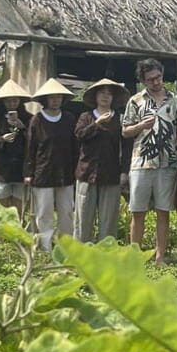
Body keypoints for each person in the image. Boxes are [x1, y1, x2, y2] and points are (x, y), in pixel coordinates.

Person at [121, 58, 177, 266]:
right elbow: (125, 131)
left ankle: (160, 257)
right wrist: (141, 126)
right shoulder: (135, 100)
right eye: (150, 79)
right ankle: (135, 256)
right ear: (143, 81)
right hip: (142, 162)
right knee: (137, 211)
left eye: (158, 77)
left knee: (163, 211)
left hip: (167, 164)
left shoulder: (176, 101)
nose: (156, 82)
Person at [24, 78, 78, 252]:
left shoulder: (69, 118)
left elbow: (75, 146)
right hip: (43, 172)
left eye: (58, 97)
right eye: (52, 97)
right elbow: (31, 148)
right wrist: (28, 173)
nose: (55, 100)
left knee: (66, 211)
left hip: (65, 171)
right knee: (44, 212)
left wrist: (76, 169)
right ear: (45, 99)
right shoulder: (37, 120)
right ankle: (45, 246)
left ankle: (66, 246)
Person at [74, 78, 130, 243]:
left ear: (113, 98)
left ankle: (106, 252)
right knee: (83, 217)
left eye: (109, 94)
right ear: (95, 96)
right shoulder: (86, 116)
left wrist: (124, 171)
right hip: (86, 172)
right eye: (102, 93)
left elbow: (127, 147)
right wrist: (97, 124)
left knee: (109, 220)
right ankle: (81, 251)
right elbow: (79, 135)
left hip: (111, 174)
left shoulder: (120, 119)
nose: (105, 96)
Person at [0, 79, 32, 219]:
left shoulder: (28, 118)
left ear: (20, 101)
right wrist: (2, 139)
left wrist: (23, 127)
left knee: (19, 208)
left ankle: (17, 230)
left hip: (21, 168)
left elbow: (36, 139)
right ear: (3, 102)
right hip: (0, 169)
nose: (12, 104)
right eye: (8, 101)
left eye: (15, 100)